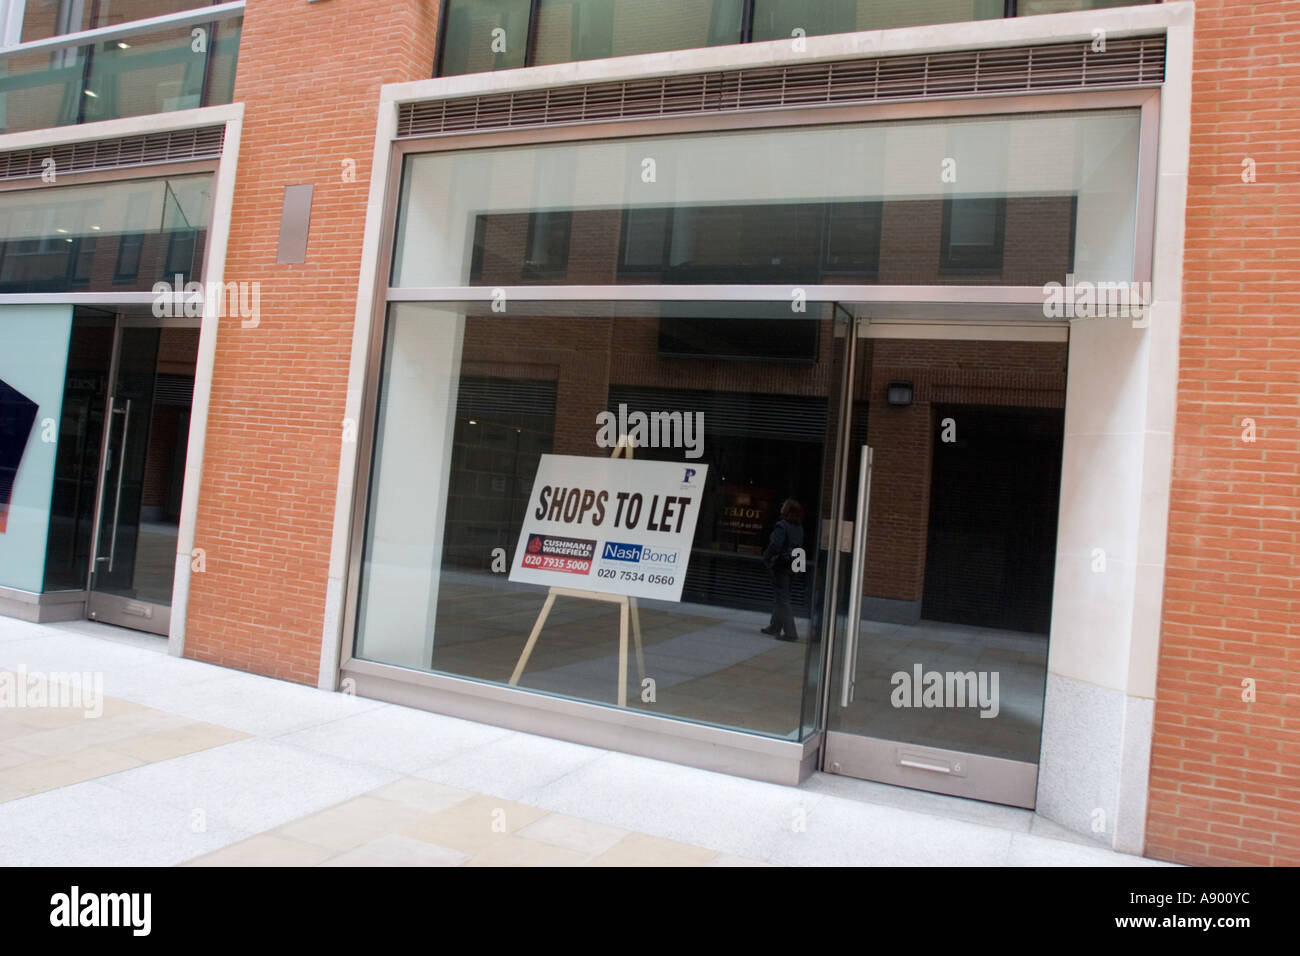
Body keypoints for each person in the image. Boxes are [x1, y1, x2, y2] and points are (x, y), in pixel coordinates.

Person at [760, 498, 804, 642]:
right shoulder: (799, 528)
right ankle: (774, 627)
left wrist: (766, 557)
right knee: (782, 596)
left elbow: (775, 544)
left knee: (782, 598)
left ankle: (791, 633)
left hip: (782, 565)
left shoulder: (782, 526)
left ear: (786, 511)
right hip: (794, 566)